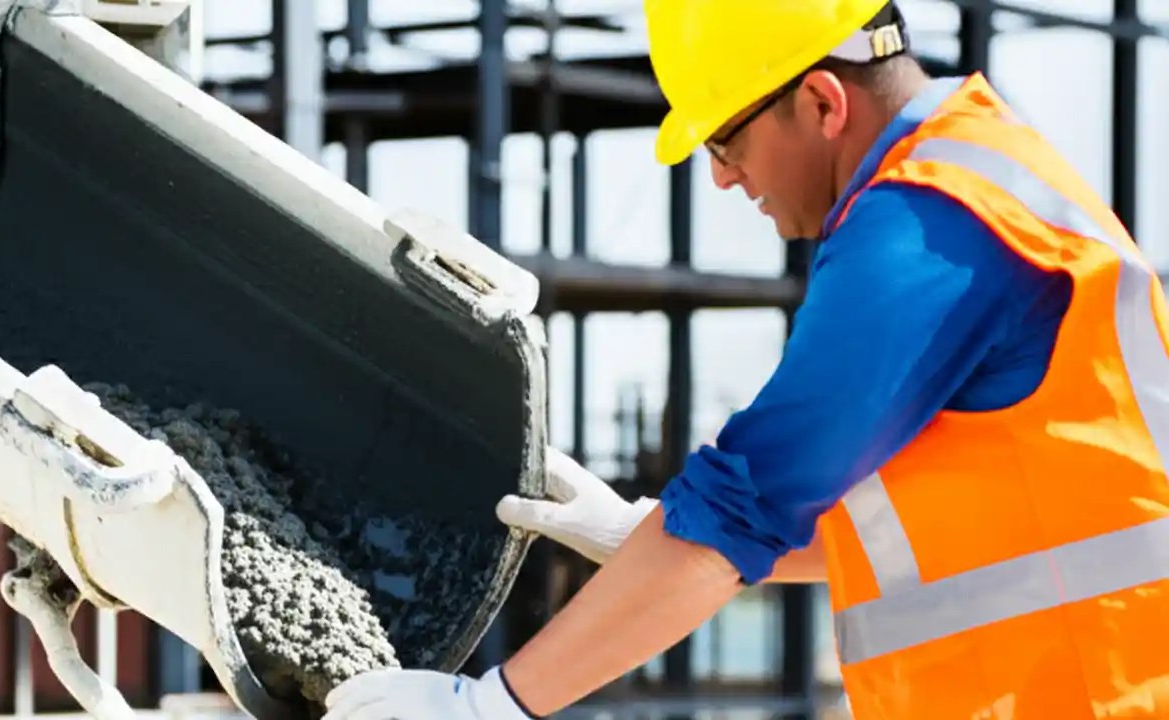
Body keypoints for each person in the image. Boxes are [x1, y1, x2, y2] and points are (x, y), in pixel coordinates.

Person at [322, 1, 1169, 718]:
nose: (722, 178)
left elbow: (747, 505)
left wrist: (494, 705)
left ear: (822, 100)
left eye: (724, 141)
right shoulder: (979, 176)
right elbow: (955, 531)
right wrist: (640, 533)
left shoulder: (929, 230)